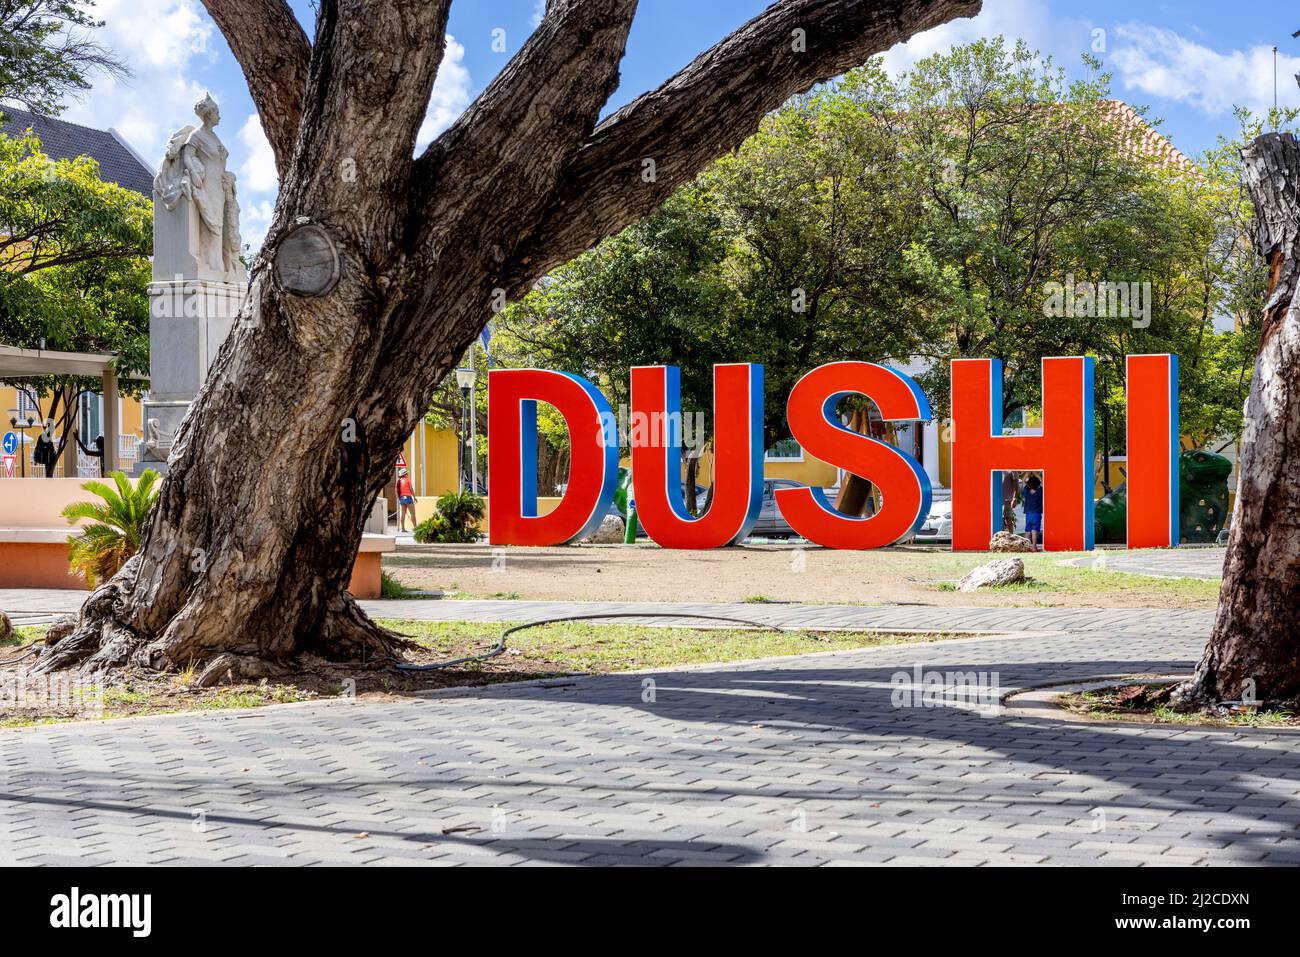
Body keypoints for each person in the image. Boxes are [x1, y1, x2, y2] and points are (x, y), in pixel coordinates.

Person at [1022, 474, 1044, 549]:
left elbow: (1023, 482)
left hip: (1028, 514)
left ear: (1028, 484)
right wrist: (1036, 473)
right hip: (1037, 514)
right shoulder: (1040, 491)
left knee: (1027, 530)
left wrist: (1027, 473)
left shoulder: (1026, 492)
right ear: (1038, 484)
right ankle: (1034, 547)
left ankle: (1025, 547)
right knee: (1034, 530)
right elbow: (1042, 481)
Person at [396, 468, 417, 533]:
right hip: (408, 497)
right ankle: (415, 528)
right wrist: (414, 497)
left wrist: (399, 499)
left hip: (401, 498)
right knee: (413, 514)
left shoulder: (398, 481)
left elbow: (396, 491)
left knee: (403, 514)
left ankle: (403, 529)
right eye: (407, 473)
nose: (408, 474)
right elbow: (411, 489)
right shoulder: (408, 480)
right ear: (404, 475)